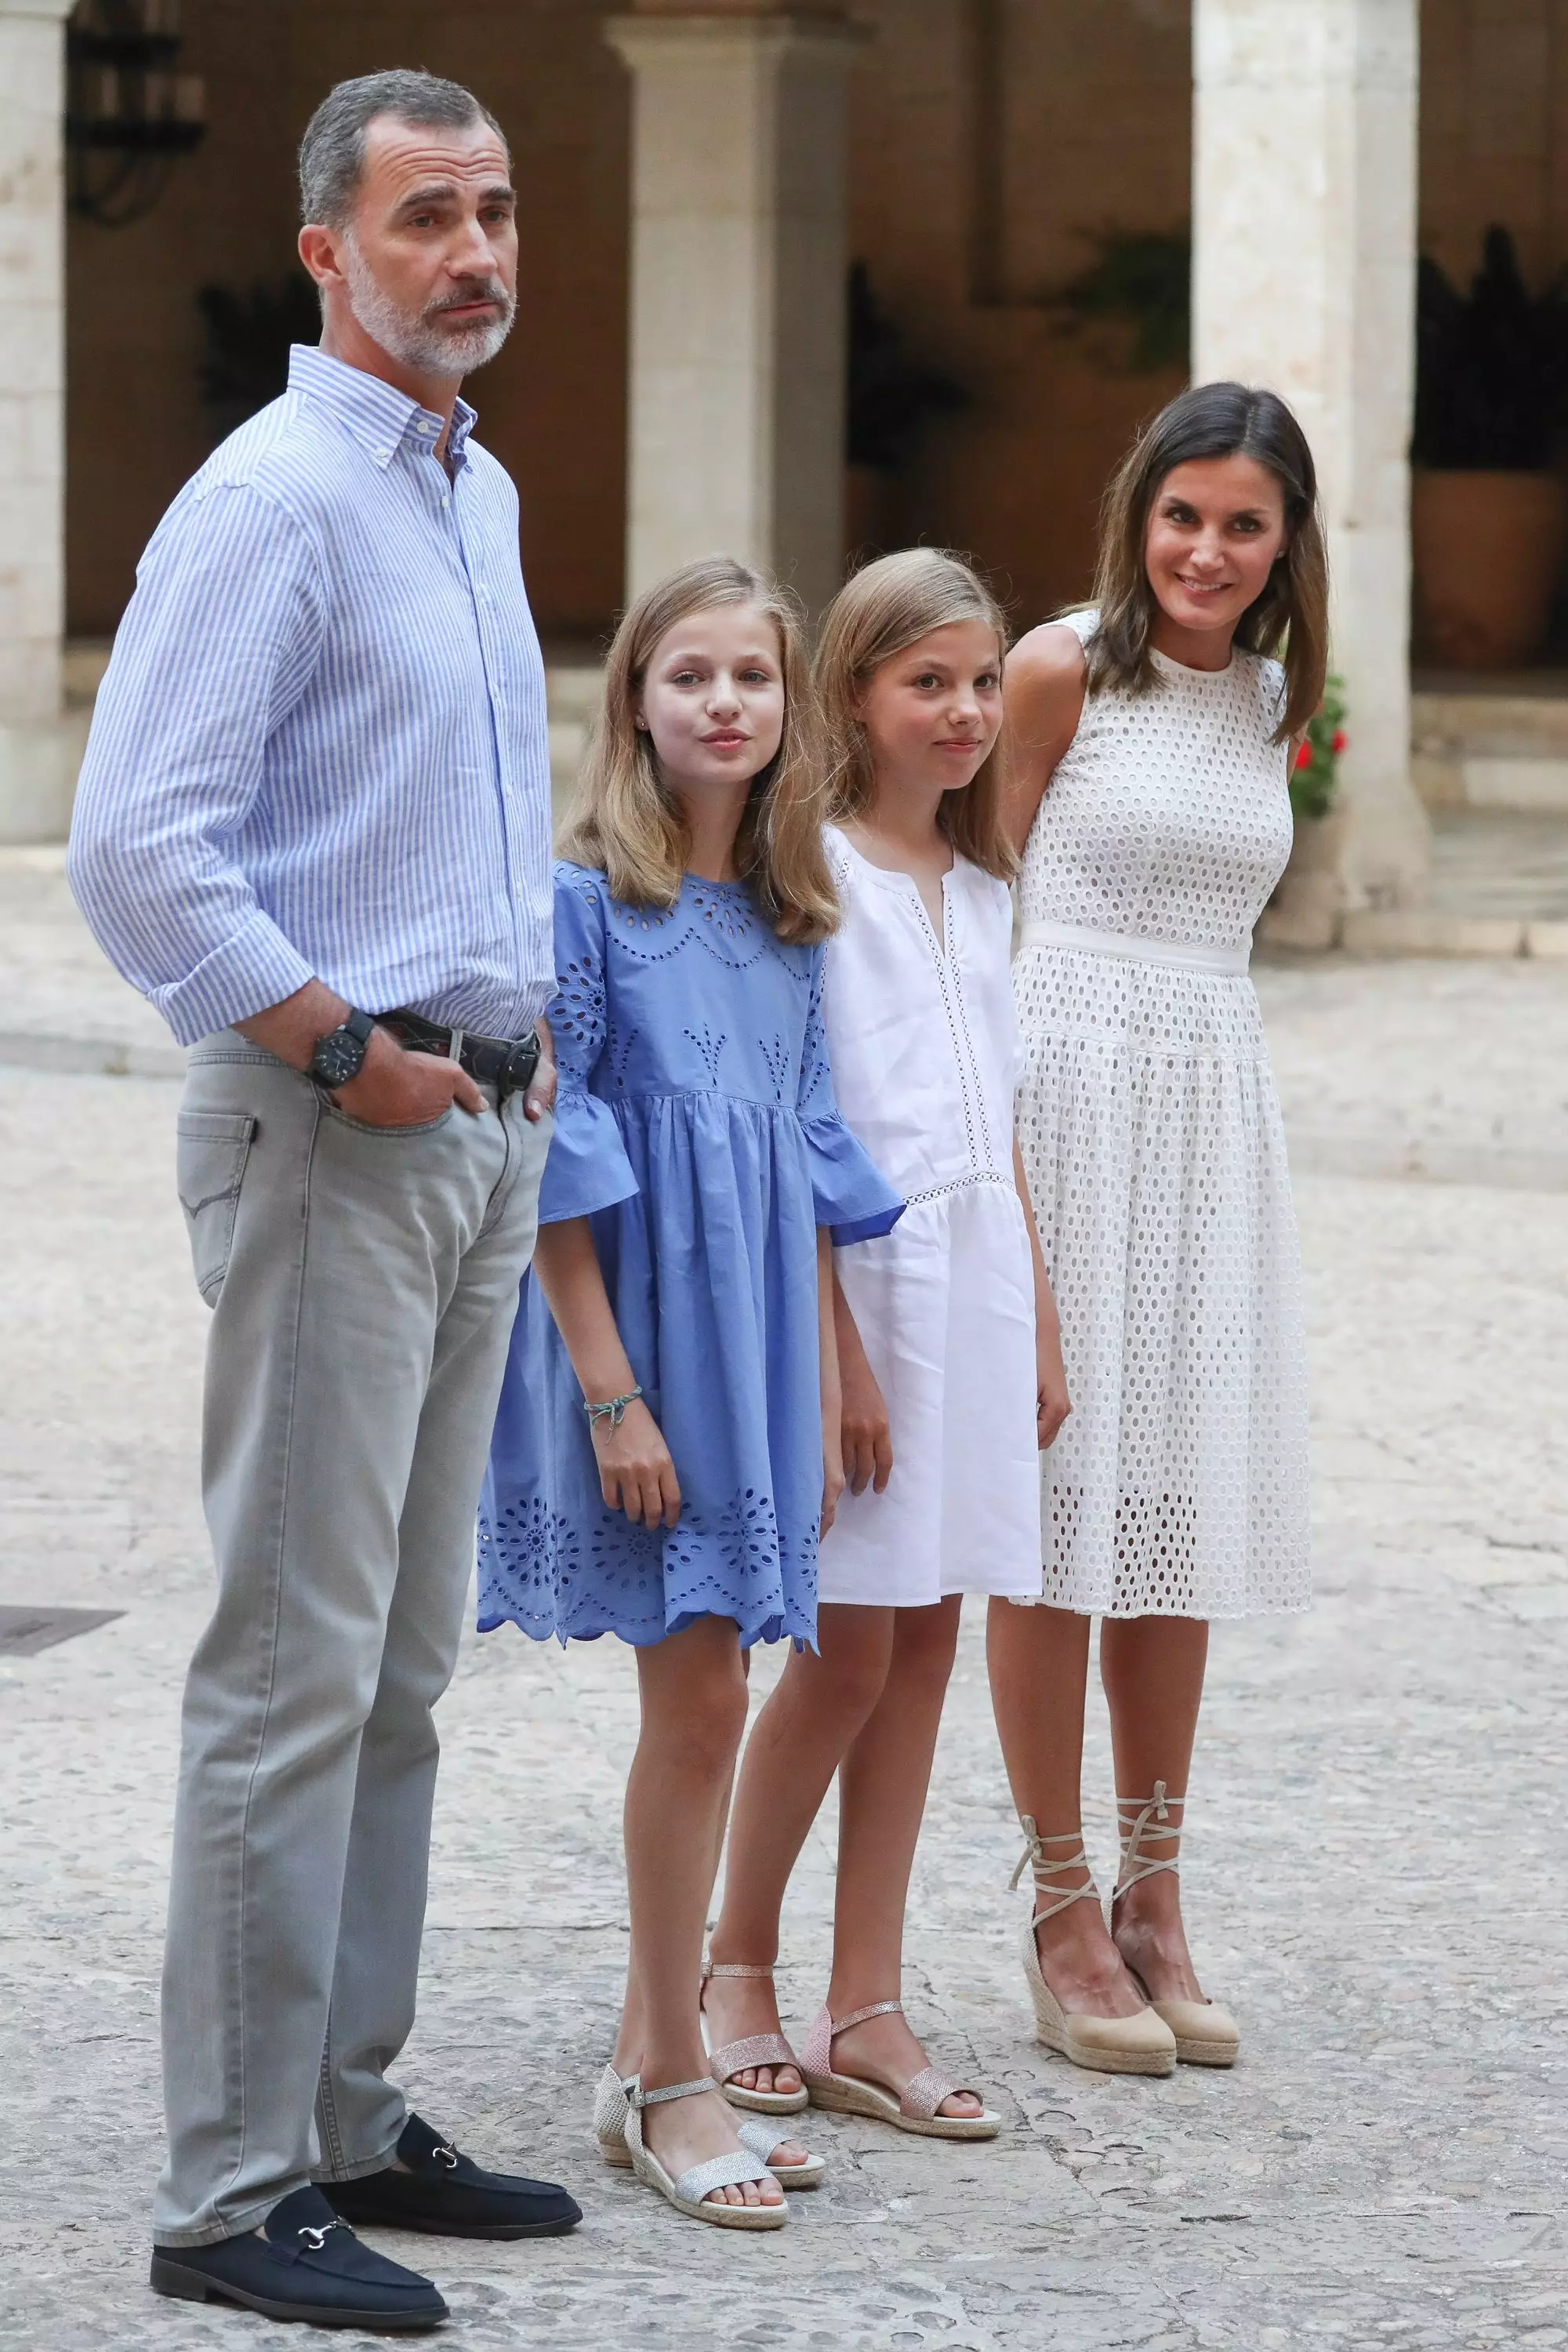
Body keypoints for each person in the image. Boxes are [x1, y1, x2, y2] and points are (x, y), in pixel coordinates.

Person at [67, 70, 579, 2332]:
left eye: (490, 212)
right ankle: (225, 2185)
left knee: (398, 1666)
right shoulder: (270, 500)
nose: (469, 251)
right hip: (333, 1135)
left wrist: (507, 1074)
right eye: (423, 218)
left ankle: (347, 2113)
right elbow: (136, 849)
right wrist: (339, 1052)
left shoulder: (470, 493)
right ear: (328, 253)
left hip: (476, 1133)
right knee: (286, 1666)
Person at [479, 555, 902, 2230]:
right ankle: (666, 2080)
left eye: (752, 677)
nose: (724, 702)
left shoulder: (793, 924)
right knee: (697, 1703)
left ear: (787, 712)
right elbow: (554, 1164)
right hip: (638, 1353)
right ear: (635, 703)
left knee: (716, 1687)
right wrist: (608, 1396)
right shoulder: (581, 906)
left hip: (758, 1359)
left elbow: (799, 1172)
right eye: (690, 675)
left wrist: (825, 1384)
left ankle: (653, 2058)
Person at [700, 550, 1069, 2138]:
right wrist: (836, 1358)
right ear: (851, 693)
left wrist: (1043, 1316)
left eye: (984, 681)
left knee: (927, 1643)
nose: (968, 711)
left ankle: (867, 1998)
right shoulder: (808, 881)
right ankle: (730, 1965)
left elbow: (1006, 1125)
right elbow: (790, 1132)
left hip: (980, 1294)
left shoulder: (984, 891)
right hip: (863, 1296)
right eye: (929, 682)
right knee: (842, 1646)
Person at [989, 381, 1321, 2076]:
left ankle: (1155, 1893)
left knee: (1171, 1516)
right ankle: (1054, 1907)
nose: (1205, 548)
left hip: (1208, 1118)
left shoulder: (1273, 698)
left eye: (1242, 523)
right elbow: (971, 923)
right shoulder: (1058, 668)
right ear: (1138, 514)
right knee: (1059, 1516)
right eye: (1181, 513)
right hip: (1064, 1102)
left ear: (1283, 545)